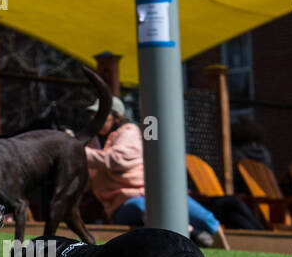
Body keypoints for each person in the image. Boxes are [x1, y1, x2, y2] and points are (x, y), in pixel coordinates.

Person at [84, 96, 221, 247]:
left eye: (100, 114)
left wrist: (80, 152)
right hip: (124, 203)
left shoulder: (129, 132)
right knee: (144, 208)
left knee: (205, 218)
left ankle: (224, 250)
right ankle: (192, 234)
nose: (94, 118)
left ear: (116, 116)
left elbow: (117, 159)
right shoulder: (91, 142)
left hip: (154, 194)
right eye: (92, 115)